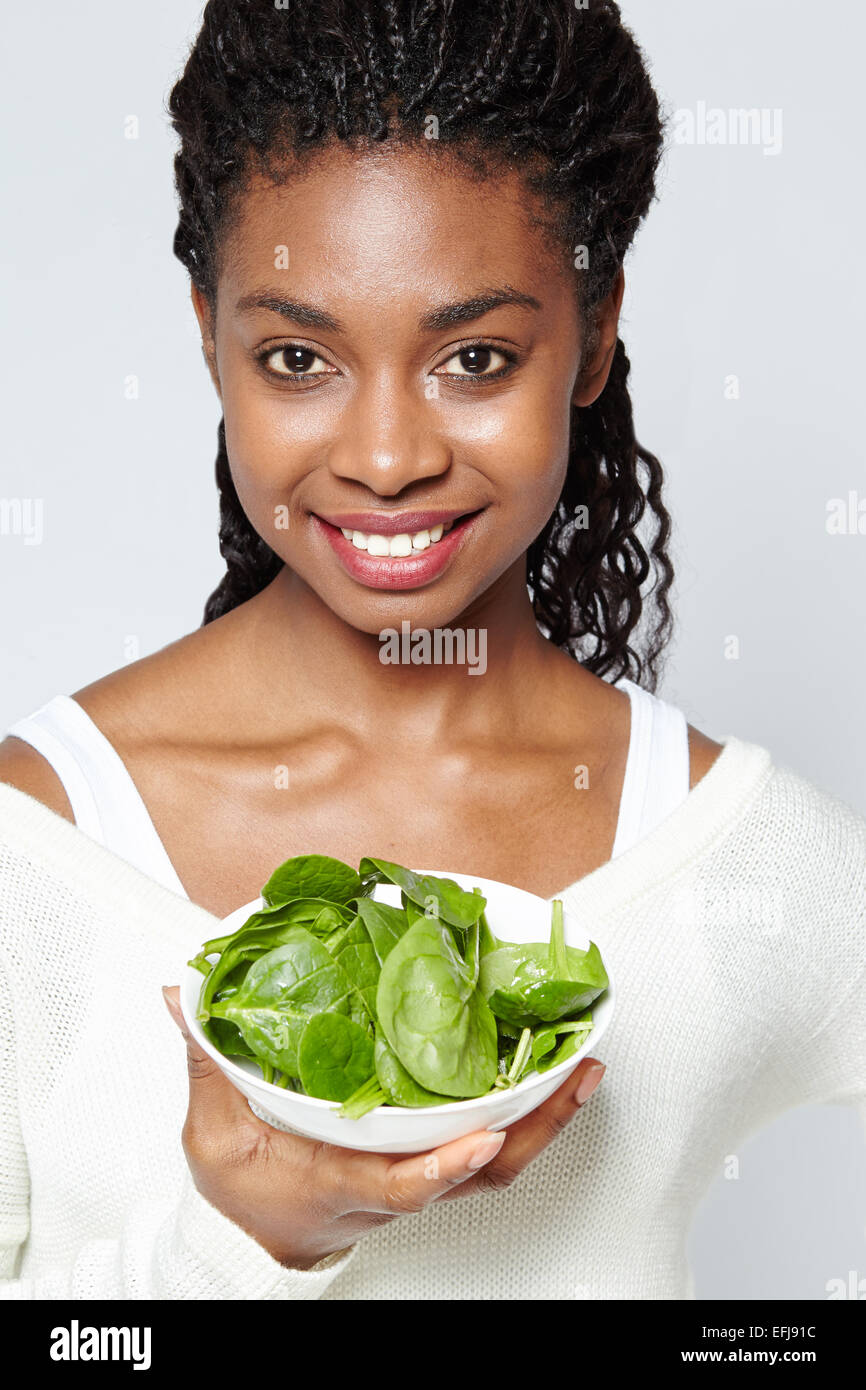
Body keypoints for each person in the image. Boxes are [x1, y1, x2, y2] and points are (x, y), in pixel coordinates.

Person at [1, 0, 863, 1300]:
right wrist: (249, 1244)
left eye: (473, 356)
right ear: (206, 333)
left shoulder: (736, 854)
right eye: (298, 356)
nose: (388, 457)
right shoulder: (37, 864)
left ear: (593, 329)